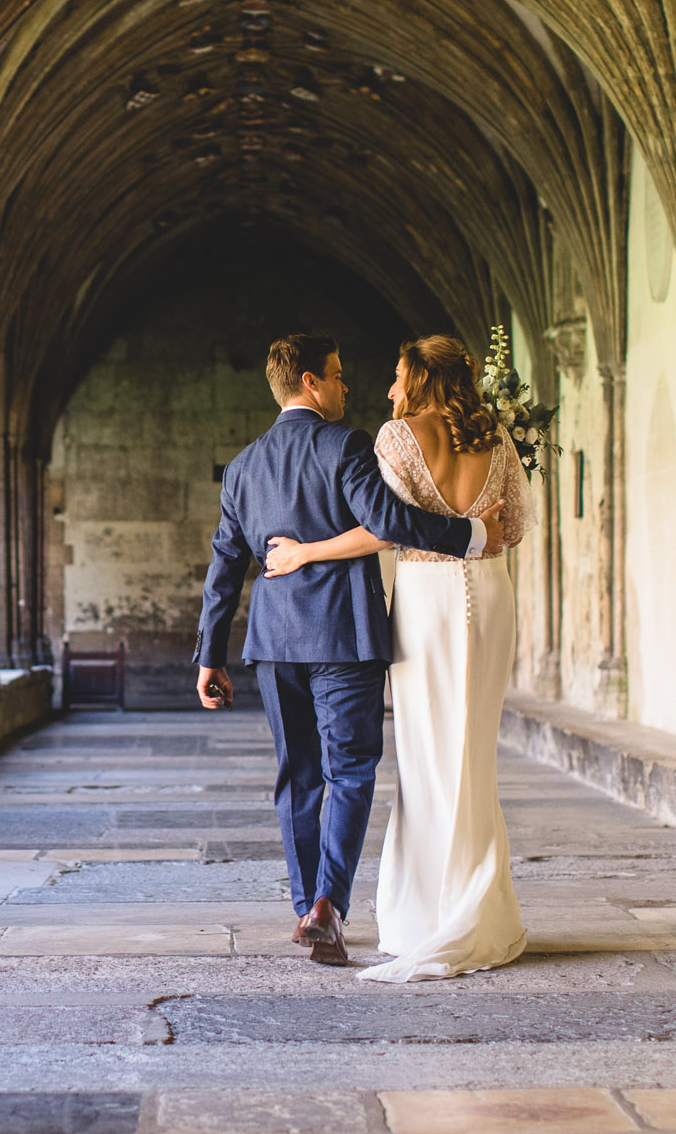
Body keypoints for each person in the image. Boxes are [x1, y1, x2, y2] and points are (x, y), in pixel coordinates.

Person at [195, 334, 500, 966]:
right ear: (310, 382)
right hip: (345, 637)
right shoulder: (347, 445)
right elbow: (387, 521)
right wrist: (471, 535)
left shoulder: (243, 466)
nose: (346, 387)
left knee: (297, 774)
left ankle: (305, 905)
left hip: (274, 643)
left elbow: (225, 564)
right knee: (351, 771)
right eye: (336, 376)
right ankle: (328, 907)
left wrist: (210, 655)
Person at [262, 335, 533, 981]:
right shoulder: (497, 435)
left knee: (424, 756)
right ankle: (480, 908)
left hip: (426, 598)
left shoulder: (397, 436)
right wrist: (479, 527)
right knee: (474, 753)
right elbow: (515, 528)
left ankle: (426, 916)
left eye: (398, 375)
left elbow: (383, 525)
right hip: (490, 593)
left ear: (422, 380)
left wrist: (305, 552)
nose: (389, 388)